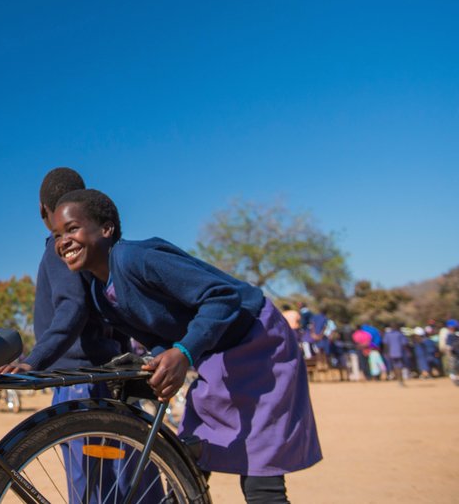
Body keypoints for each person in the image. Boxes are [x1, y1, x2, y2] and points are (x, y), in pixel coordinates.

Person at [50, 189, 322, 504]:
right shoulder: (101, 296)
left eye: (72, 229)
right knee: (187, 461)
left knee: (261, 478)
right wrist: (160, 358)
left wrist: (184, 352)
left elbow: (222, 297)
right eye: (57, 235)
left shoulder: (135, 258)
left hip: (258, 343)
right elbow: (156, 339)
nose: (63, 241)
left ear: (107, 229)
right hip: (214, 356)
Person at [0, 168, 155, 501]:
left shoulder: (59, 247)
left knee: (94, 489)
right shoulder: (96, 247)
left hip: (81, 383)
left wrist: (34, 361)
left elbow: (72, 309)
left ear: (42, 210)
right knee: (126, 481)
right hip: (111, 378)